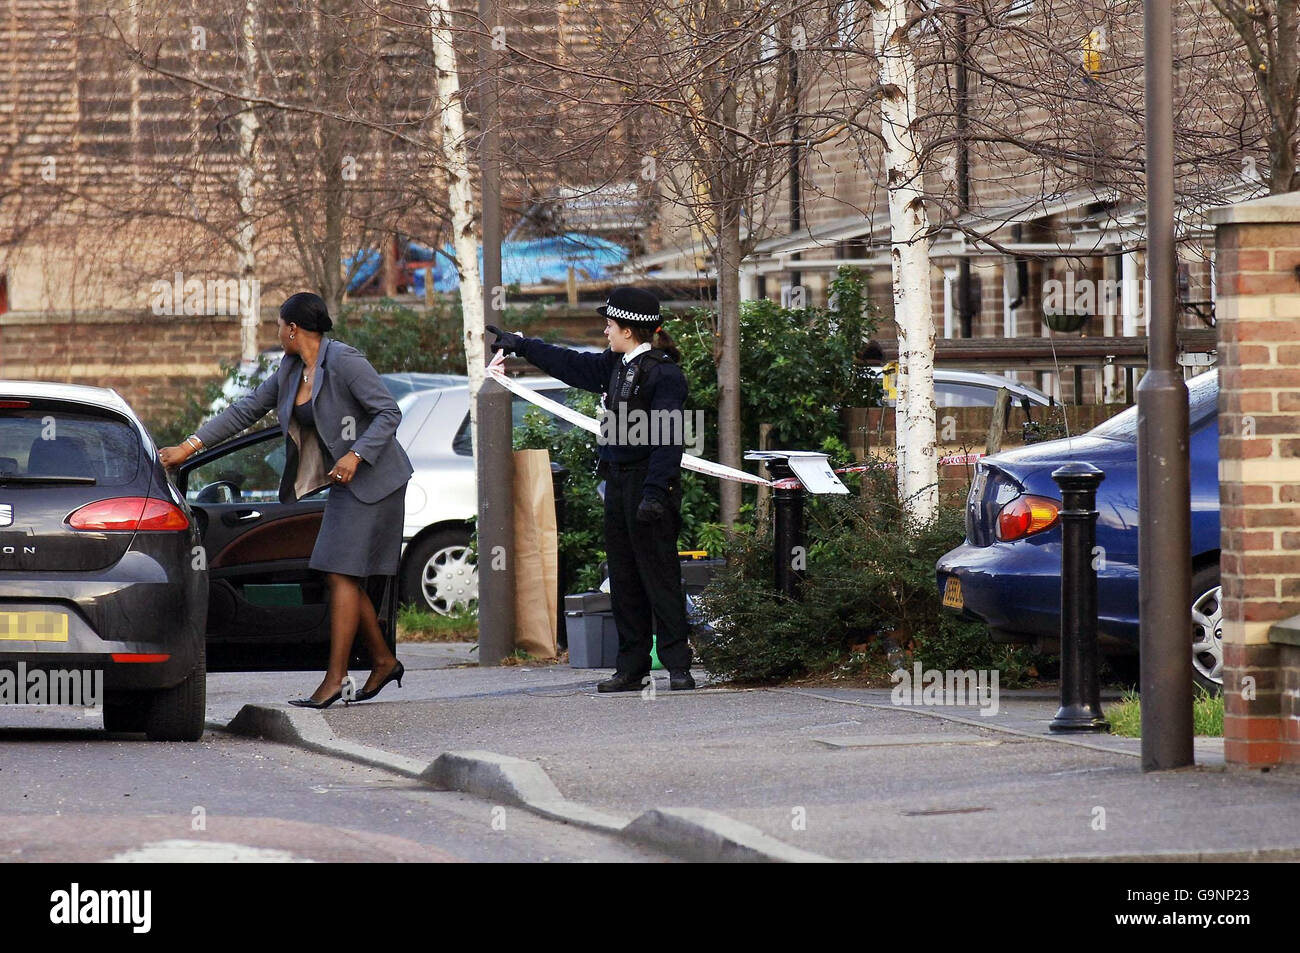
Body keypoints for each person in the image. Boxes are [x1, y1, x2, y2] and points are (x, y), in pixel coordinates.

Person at [160, 292, 415, 708]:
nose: (277, 333)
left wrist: (356, 454)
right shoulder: (292, 369)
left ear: (293, 329)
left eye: (278, 325)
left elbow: (389, 412)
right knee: (339, 573)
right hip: (345, 484)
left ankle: (336, 678)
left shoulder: (345, 362)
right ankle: (383, 661)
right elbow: (245, 410)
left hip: (377, 481)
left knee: (340, 573)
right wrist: (188, 448)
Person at [488, 286, 696, 691]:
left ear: (629, 330)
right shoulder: (614, 366)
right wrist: (524, 346)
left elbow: (670, 439)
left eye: (610, 324)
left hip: (649, 484)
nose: (605, 331)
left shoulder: (664, 373)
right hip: (617, 483)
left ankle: (678, 666)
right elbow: (570, 363)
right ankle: (631, 668)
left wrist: (655, 493)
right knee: (623, 579)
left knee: (660, 577)